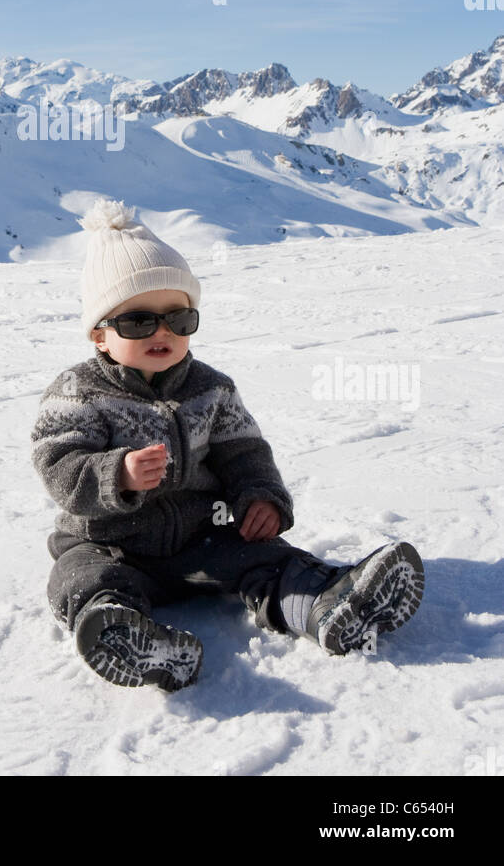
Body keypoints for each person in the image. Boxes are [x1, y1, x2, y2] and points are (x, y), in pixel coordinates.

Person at [31, 197, 425, 691]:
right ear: (99, 335)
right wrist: (118, 475)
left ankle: (328, 608)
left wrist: (260, 497)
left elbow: (244, 452)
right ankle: (124, 634)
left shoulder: (211, 388)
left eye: (179, 319)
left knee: (269, 558)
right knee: (76, 575)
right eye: (138, 321)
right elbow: (57, 461)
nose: (163, 332)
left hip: (205, 536)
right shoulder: (77, 391)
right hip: (111, 543)